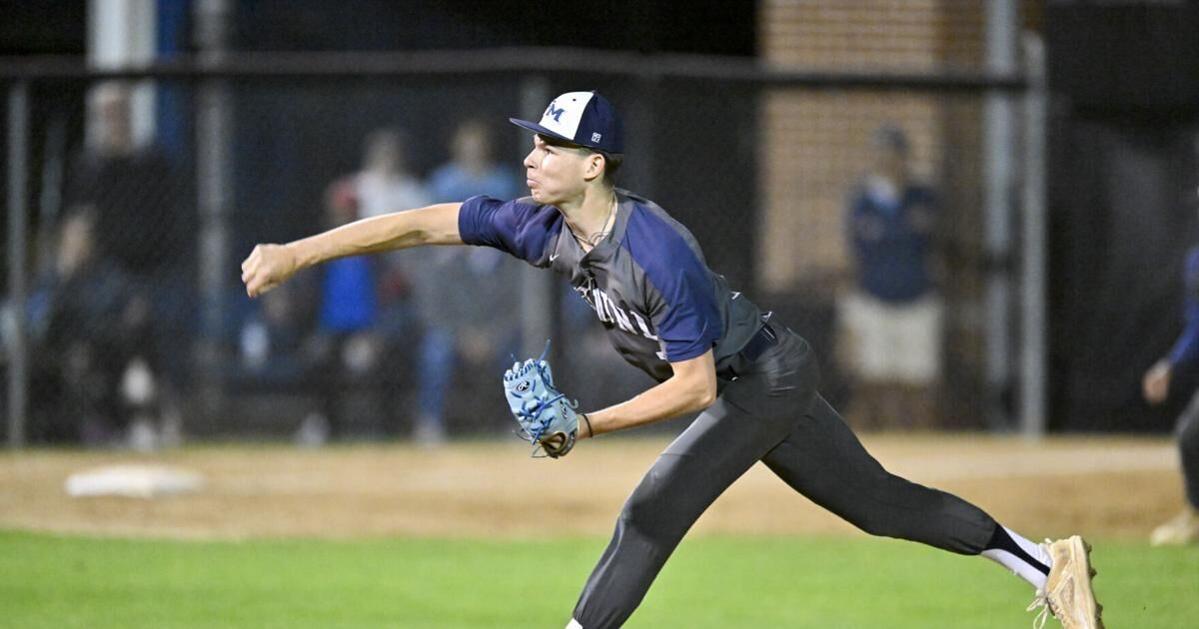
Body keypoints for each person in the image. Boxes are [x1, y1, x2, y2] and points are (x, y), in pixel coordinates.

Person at [241, 91, 1103, 629]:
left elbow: (693, 386)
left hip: (757, 379)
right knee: (878, 505)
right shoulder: (538, 224)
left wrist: (585, 422)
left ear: (593, 163)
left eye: (548, 145)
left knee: (649, 511)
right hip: (762, 371)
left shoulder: (655, 253)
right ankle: (1044, 560)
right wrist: (295, 251)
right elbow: (419, 222)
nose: (530, 155)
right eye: (532, 142)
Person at [411, 118, 524, 443]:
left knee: (519, 352)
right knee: (435, 351)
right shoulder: (443, 260)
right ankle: (429, 423)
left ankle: (519, 422)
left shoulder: (506, 259)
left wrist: (491, 334)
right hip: (453, 331)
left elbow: (515, 304)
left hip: (494, 331)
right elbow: (434, 305)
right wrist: (462, 335)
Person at [840, 124, 943, 430]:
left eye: (893, 154)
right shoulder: (862, 201)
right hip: (874, 298)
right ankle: (881, 444)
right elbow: (855, 256)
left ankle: (918, 443)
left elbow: (933, 243)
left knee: (919, 380)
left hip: (917, 298)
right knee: (874, 379)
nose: (888, 161)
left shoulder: (923, 196)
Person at [1142, 244, 1199, 545]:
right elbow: (1197, 324)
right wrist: (1170, 365)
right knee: (1191, 434)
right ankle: (1195, 514)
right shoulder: (1196, 260)